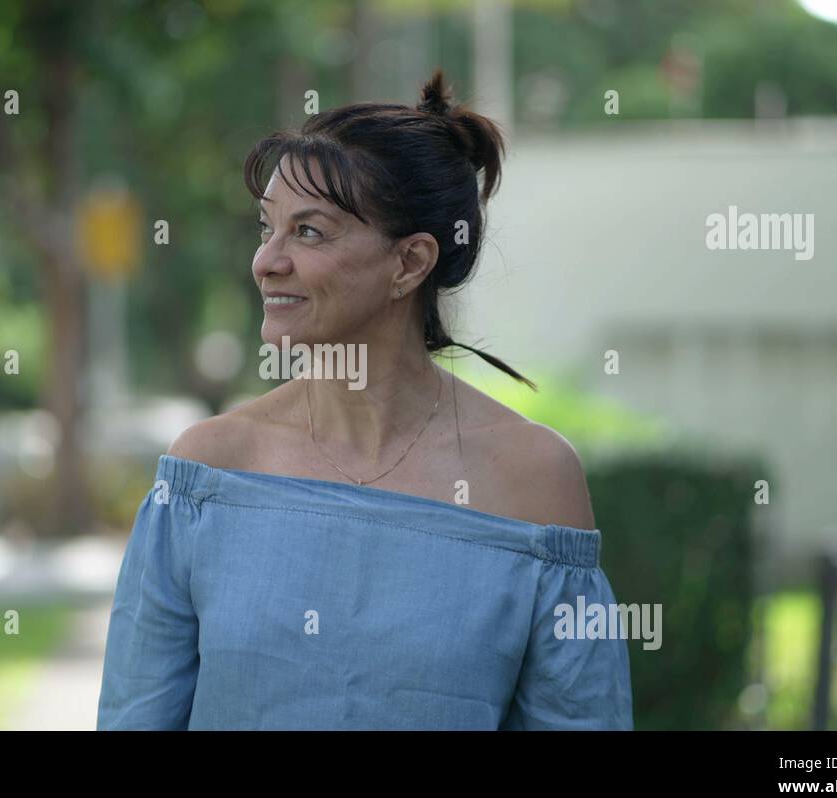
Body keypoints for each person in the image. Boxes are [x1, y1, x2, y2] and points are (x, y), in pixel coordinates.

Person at [97, 68, 633, 730]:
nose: (267, 260)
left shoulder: (534, 481)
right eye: (268, 227)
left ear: (409, 263)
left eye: (309, 232)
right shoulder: (208, 472)